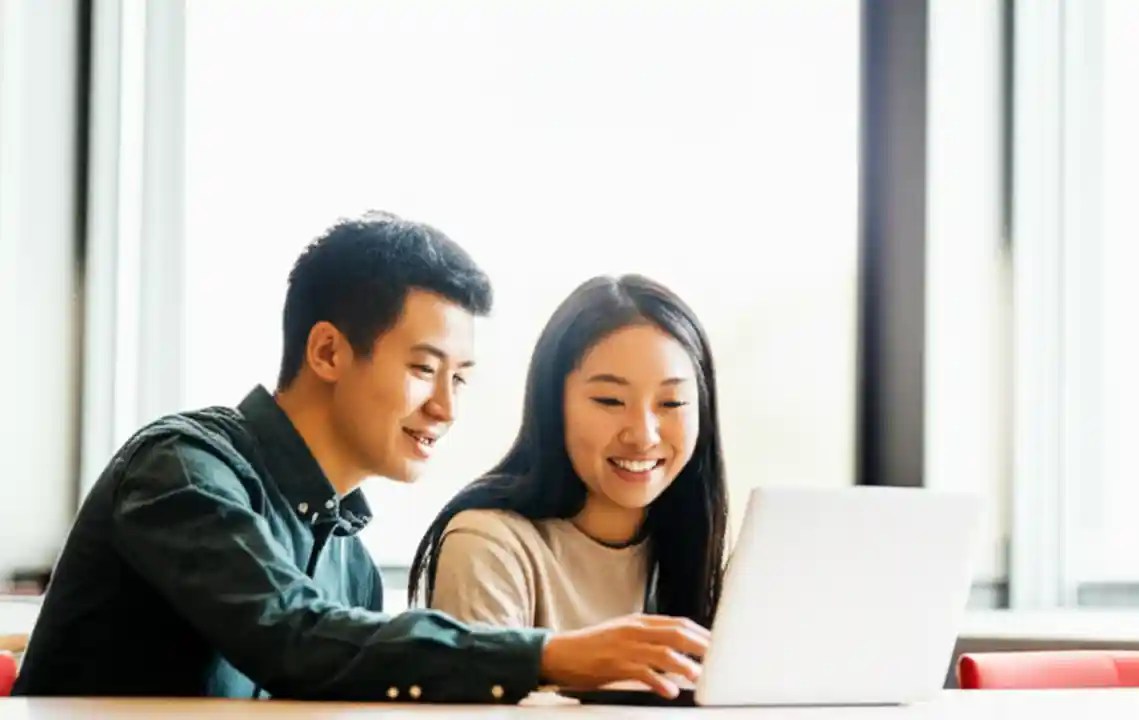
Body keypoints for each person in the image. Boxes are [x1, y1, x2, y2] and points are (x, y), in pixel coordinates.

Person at [15, 213, 707, 702]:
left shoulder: (350, 565)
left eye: (459, 378)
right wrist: (553, 654)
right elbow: (289, 636)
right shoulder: (181, 469)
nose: (445, 407)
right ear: (327, 352)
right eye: (423, 368)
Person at [409, 275, 728, 697]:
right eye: (610, 401)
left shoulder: (698, 546)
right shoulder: (489, 543)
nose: (644, 434)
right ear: (553, 405)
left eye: (671, 404)